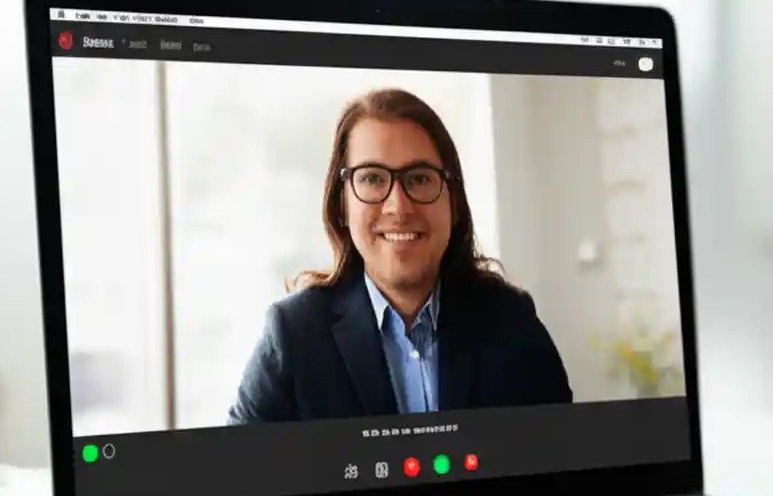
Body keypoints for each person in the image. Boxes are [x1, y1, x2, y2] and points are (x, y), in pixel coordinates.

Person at [227, 88, 572, 424]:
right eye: (373, 178)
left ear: (452, 203)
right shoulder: (292, 336)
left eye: (420, 178)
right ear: (342, 205)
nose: (398, 206)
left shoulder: (512, 324)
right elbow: (238, 473)